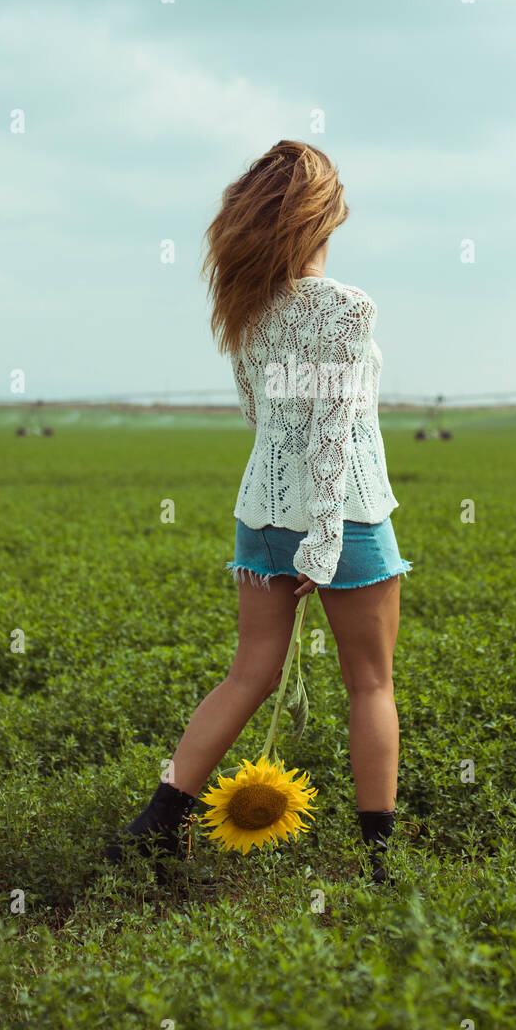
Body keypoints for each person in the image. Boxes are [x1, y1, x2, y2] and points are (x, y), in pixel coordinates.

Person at [104, 140, 410, 882]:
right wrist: (325, 542)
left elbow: (258, 412)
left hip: (261, 514)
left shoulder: (248, 303)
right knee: (369, 683)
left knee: (248, 674)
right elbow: (334, 434)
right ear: (325, 216)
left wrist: (297, 534)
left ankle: (156, 823)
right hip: (349, 517)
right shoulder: (346, 307)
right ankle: (379, 866)